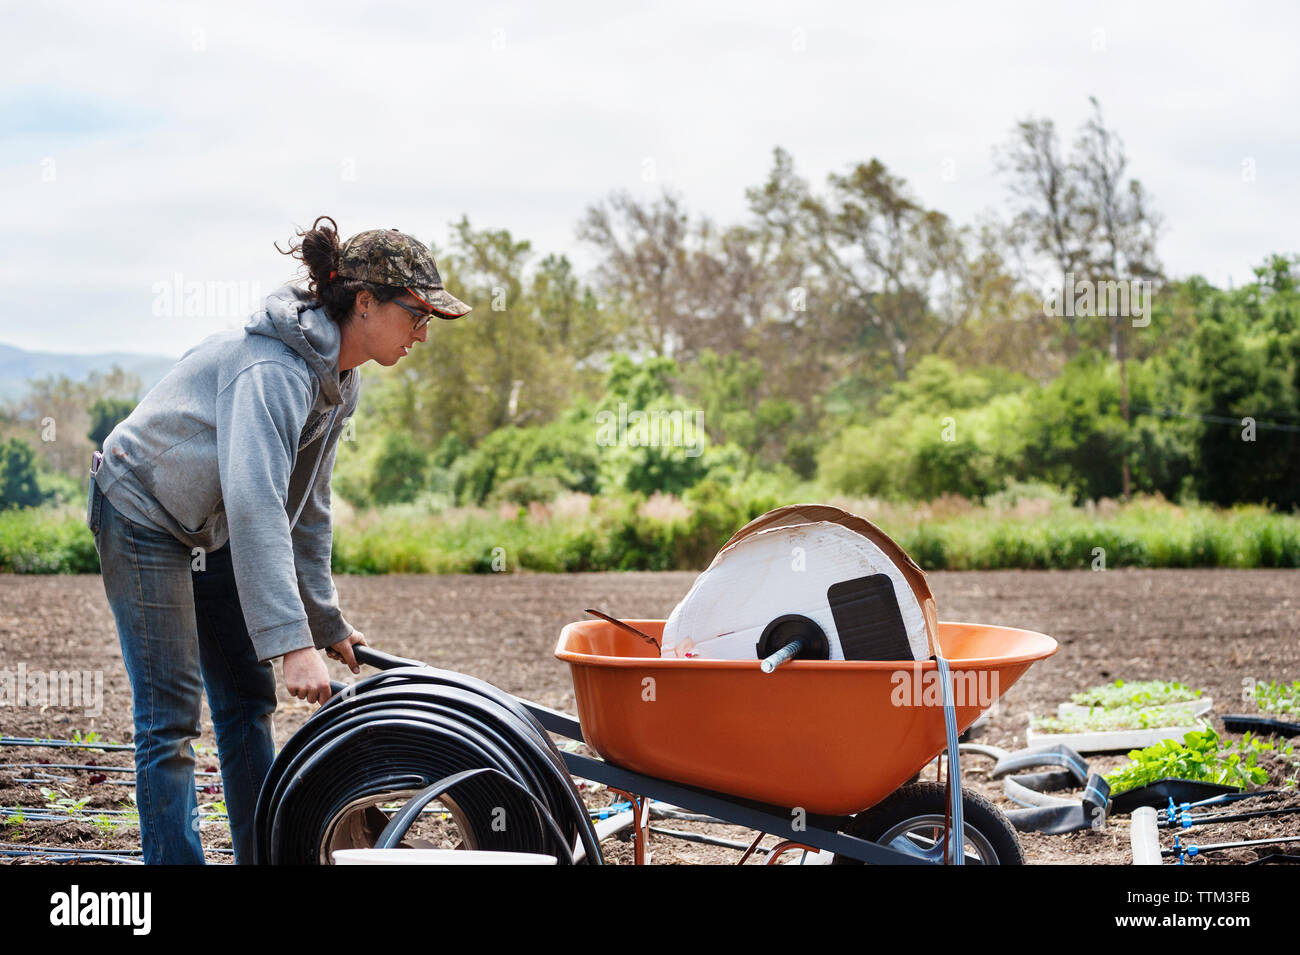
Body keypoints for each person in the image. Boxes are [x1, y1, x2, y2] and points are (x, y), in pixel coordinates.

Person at [84, 217, 472, 864]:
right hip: (143, 508)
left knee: (245, 698)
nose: (424, 333)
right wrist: (291, 643)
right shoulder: (274, 368)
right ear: (367, 303)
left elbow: (307, 507)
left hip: (213, 520)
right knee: (171, 718)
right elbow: (256, 498)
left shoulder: (339, 382)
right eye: (417, 314)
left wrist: (324, 621)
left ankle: (267, 857)